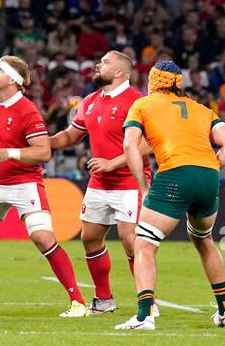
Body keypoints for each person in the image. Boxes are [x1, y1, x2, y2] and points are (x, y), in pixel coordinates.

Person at [0, 56, 88, 318]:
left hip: (25, 183)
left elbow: (43, 152)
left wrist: (10, 154)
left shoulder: (28, 111)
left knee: (43, 238)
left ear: (13, 80)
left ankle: (78, 303)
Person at [116, 62, 225, 331]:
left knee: (144, 244)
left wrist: (143, 187)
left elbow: (130, 146)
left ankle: (144, 316)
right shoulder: (201, 109)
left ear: (154, 81)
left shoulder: (143, 104)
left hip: (174, 174)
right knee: (204, 240)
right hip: (208, 176)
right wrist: (210, 168)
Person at [49, 50, 153, 315]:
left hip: (130, 180)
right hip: (99, 182)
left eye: (105, 62)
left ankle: (147, 301)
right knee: (90, 238)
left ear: (119, 72)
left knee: (131, 241)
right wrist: (42, 142)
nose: (98, 65)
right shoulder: (90, 100)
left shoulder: (138, 102)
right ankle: (104, 299)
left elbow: (148, 143)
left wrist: (113, 163)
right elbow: (71, 135)